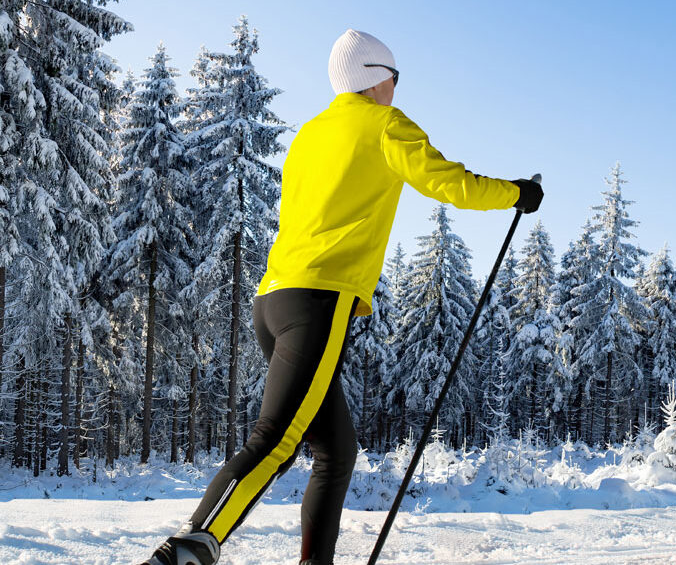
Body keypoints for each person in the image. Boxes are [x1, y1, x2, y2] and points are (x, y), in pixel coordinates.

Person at [141, 29, 543, 565]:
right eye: (395, 79)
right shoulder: (383, 125)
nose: (397, 91)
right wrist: (517, 193)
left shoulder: (310, 133)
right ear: (377, 78)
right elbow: (452, 184)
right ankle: (189, 547)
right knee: (277, 441)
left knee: (335, 449)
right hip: (319, 300)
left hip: (274, 299)